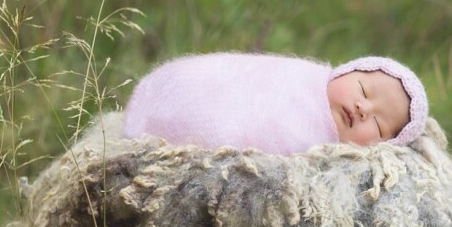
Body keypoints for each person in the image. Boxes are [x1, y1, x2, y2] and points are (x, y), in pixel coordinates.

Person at [122, 52, 428, 154]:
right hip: (206, 90)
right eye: (363, 88)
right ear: (347, 70)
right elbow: (245, 77)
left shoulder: (328, 155)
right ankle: (160, 114)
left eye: (377, 123)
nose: (363, 108)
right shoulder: (301, 78)